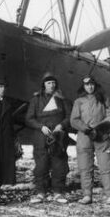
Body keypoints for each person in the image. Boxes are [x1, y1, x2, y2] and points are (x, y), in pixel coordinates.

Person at [25, 72, 71, 204]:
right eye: (49, 83)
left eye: (53, 83)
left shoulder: (62, 100)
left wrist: (61, 125)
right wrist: (41, 127)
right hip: (41, 136)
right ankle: (40, 192)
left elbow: (69, 116)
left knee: (59, 164)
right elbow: (28, 119)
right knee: (41, 165)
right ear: (44, 84)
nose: (51, 85)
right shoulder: (36, 100)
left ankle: (58, 192)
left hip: (58, 137)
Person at [70, 75, 110, 205]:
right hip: (84, 136)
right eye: (87, 85)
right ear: (83, 87)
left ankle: (109, 194)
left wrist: (100, 127)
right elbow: (74, 120)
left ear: (95, 85)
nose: (90, 87)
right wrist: (87, 129)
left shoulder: (103, 99)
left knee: (106, 165)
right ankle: (87, 194)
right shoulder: (78, 101)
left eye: (92, 84)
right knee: (85, 166)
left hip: (102, 135)